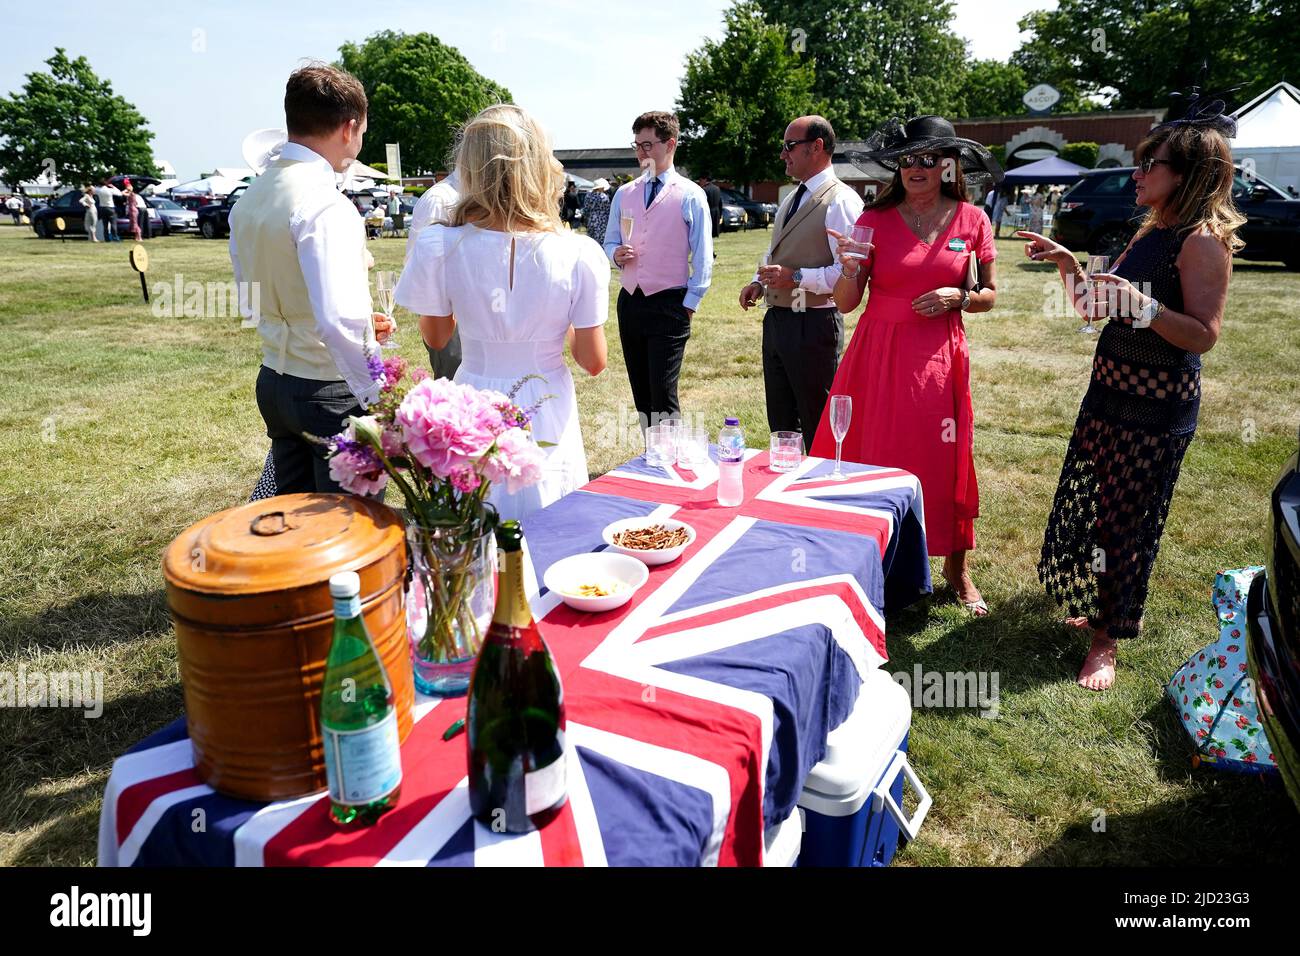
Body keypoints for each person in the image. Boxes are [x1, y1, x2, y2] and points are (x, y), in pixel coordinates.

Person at [1020, 101, 1243, 691]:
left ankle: (1107, 638)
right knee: (1104, 510)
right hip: (1109, 394)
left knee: (1127, 520)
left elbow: (1204, 335)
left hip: (1156, 404)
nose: (1137, 174)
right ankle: (1106, 608)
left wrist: (1144, 307)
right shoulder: (1152, 230)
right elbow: (1093, 306)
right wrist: (1067, 263)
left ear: (1188, 174)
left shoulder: (1202, 241)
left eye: (1150, 165)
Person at [812, 115, 1002, 615]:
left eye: (928, 159)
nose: (916, 168)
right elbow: (846, 302)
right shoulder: (873, 219)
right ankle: (864, 554)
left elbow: (989, 295)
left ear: (948, 166)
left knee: (943, 455)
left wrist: (959, 297)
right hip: (877, 352)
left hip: (939, 355)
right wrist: (848, 268)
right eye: (907, 159)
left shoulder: (972, 220)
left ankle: (956, 568)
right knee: (872, 452)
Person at [395, 103, 609, 520]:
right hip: (546, 398)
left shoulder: (440, 245)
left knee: (474, 514)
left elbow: (436, 337)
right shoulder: (578, 252)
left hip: (473, 393)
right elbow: (593, 361)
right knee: (549, 512)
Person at [229, 62, 393, 495]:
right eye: (362, 131)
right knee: (349, 524)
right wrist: (379, 394)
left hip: (274, 380)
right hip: (329, 389)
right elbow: (339, 321)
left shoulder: (248, 198)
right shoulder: (325, 203)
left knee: (295, 519)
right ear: (349, 127)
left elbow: (250, 295)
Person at [739, 115, 863, 445]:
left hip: (814, 324)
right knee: (781, 425)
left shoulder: (842, 200)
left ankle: (822, 478)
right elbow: (776, 252)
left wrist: (795, 278)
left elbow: (849, 274)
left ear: (817, 147)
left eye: (789, 146)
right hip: (779, 322)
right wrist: (758, 282)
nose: (783, 154)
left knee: (817, 424)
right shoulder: (793, 197)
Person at [603, 110, 712, 429]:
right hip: (630, 301)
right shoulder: (624, 193)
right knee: (642, 393)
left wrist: (690, 304)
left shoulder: (691, 194)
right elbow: (609, 241)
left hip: (670, 303)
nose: (640, 152)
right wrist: (615, 254)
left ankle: (670, 455)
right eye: (637, 145)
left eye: (648, 145)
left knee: (663, 394)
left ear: (670, 144)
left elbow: (703, 256)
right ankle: (651, 452)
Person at [406, 168, 462, 378]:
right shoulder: (441, 199)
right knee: (454, 385)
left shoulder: (480, 194)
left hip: (479, 320)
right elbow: (420, 268)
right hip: (450, 318)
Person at [582, 177, 611, 246]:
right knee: (600, 242)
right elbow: (608, 210)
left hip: (591, 221)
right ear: (600, 188)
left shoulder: (588, 196)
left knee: (591, 242)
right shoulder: (604, 197)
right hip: (602, 222)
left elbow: (585, 210)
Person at [700, 173, 723, 240]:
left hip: (708, 212)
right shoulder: (717, 188)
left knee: (707, 232)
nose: (700, 182)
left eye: (701, 180)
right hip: (716, 211)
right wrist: (720, 214)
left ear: (705, 180)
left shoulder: (704, 189)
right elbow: (720, 202)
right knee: (713, 232)